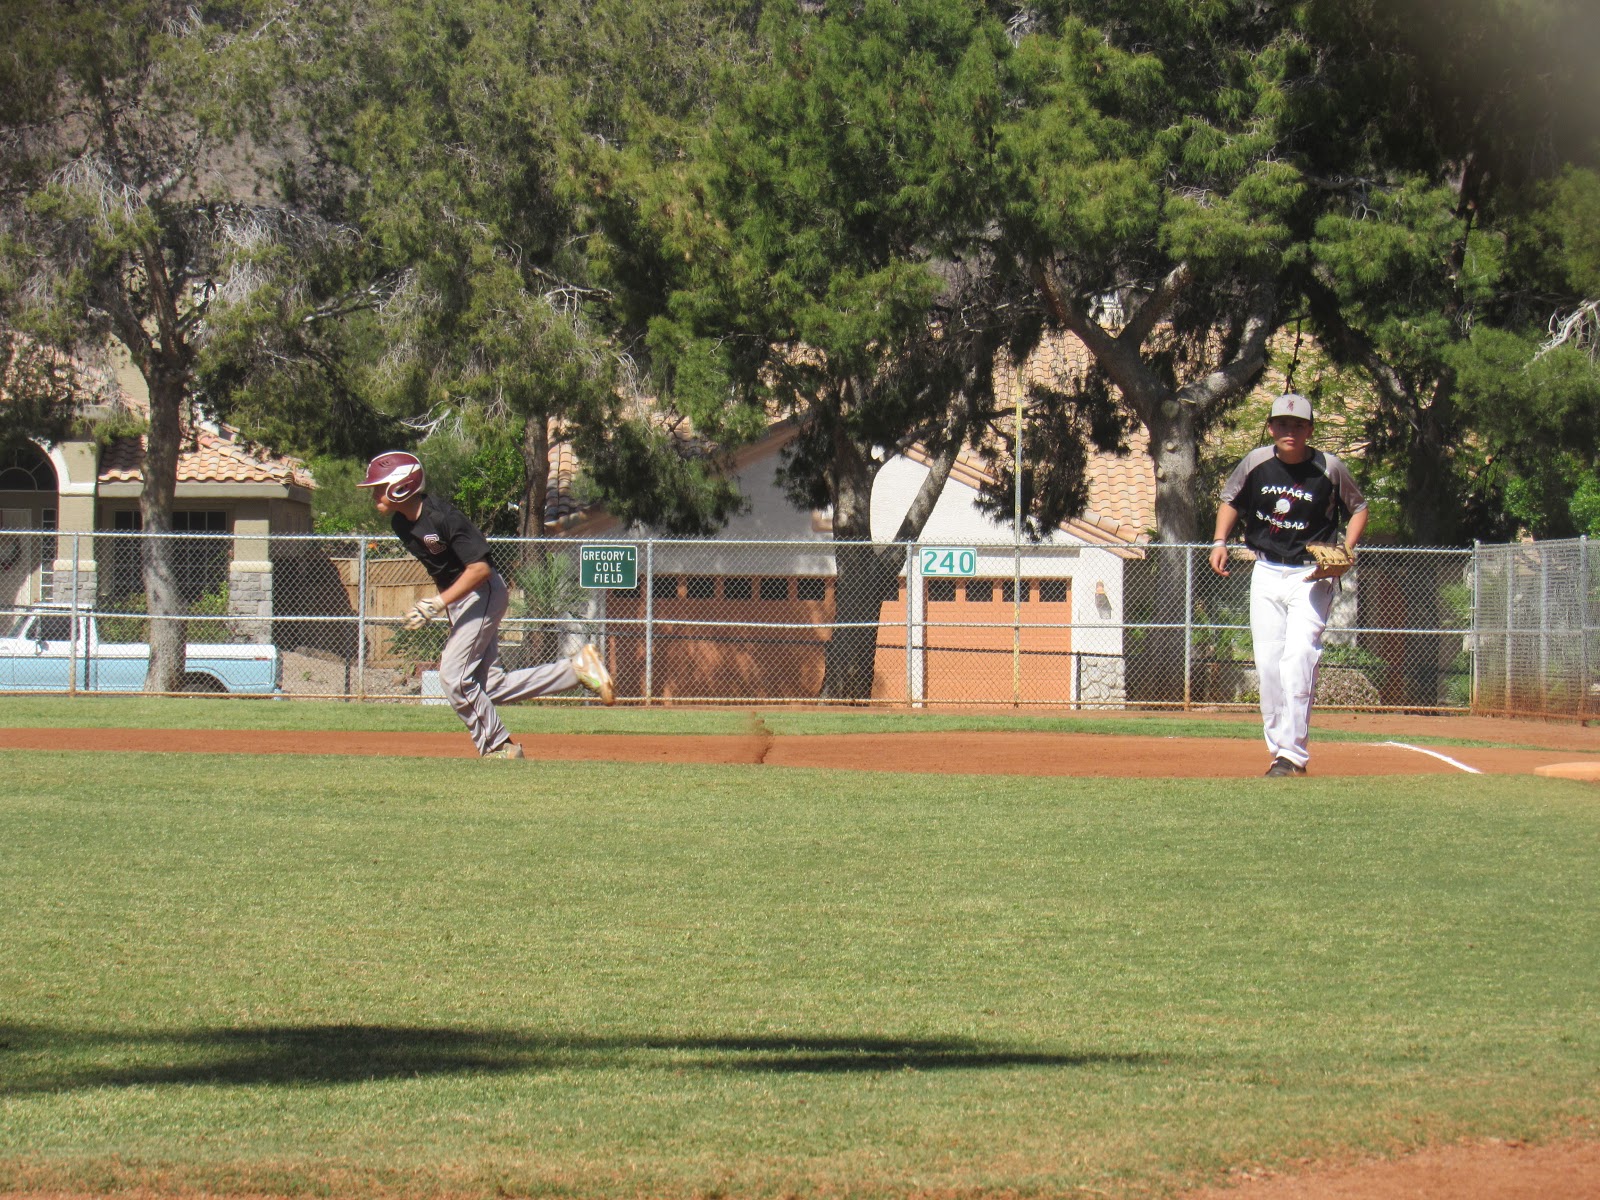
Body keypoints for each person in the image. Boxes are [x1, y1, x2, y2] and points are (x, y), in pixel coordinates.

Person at [357, 450, 614, 759]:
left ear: (401, 486)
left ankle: (497, 745)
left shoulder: (442, 516)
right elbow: (442, 571)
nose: (373, 493)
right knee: (488, 686)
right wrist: (449, 610)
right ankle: (576, 670)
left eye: (378, 486)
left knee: (452, 678)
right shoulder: (401, 524)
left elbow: (479, 569)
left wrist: (436, 604)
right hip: (460, 602)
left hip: (483, 592)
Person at [1208, 394, 1367, 777]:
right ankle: (1279, 749)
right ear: (1271, 427)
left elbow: (1358, 508)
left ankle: (1292, 755)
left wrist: (1345, 550)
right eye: (1282, 424)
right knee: (1267, 666)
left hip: (1311, 575)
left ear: (1310, 429)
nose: (1290, 431)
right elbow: (1230, 499)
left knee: (1298, 658)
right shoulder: (1257, 463)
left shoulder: (1328, 467)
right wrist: (1219, 540)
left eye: (1298, 425)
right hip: (1265, 572)